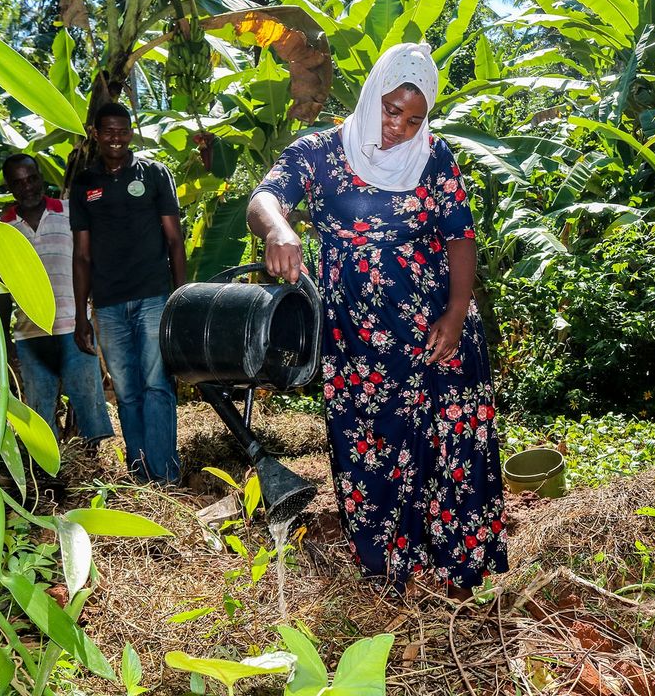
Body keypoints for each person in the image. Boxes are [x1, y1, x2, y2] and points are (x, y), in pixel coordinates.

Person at [247, 43, 509, 595]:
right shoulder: (321, 153)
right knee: (371, 448)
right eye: (392, 110)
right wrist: (279, 229)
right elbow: (265, 199)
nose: (399, 128)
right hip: (360, 340)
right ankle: (391, 571)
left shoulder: (433, 158)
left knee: (452, 443)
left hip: (438, 331)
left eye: (415, 119)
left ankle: (460, 572)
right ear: (373, 97)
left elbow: (460, 236)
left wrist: (458, 313)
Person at [70, 102, 187, 484]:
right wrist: (79, 315)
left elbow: (174, 239)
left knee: (157, 384)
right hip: (107, 303)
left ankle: (165, 477)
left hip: (154, 295)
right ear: (96, 134)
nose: (116, 138)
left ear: (131, 132)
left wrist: (181, 297)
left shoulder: (154, 174)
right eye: (109, 132)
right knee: (126, 391)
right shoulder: (85, 185)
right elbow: (82, 255)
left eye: (123, 130)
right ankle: (141, 478)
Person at [0, 154, 114, 446]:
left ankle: (95, 471)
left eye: (32, 179)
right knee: (40, 412)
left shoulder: (69, 213)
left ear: (41, 178)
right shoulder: (1, 229)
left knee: (90, 404)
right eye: (18, 182)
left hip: (75, 328)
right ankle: (50, 477)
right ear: (10, 187)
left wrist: (89, 319)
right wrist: (2, 340)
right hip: (30, 334)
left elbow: (91, 264)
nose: (27, 187)